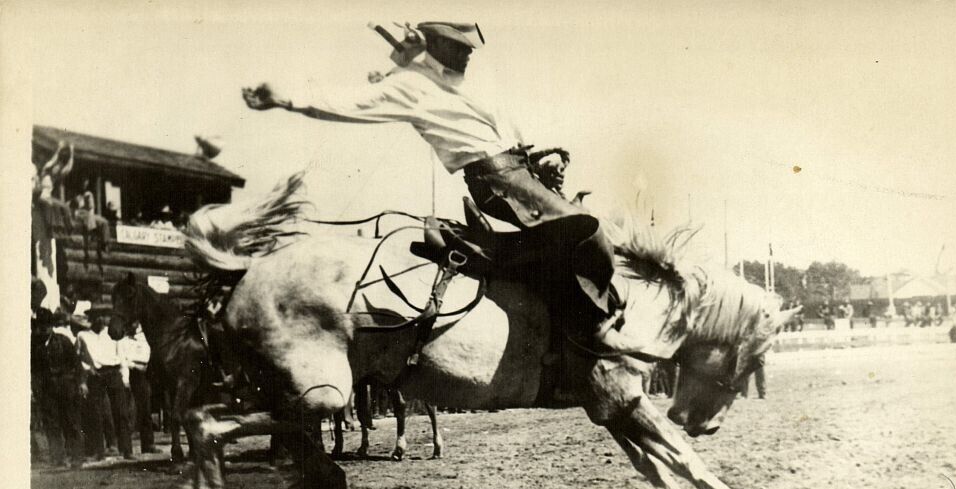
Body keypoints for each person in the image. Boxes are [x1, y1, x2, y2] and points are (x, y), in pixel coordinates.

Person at [242, 21, 624, 349]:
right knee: (587, 230)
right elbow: (349, 104)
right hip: (496, 182)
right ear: (435, 42)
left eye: (470, 46)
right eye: (460, 45)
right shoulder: (408, 87)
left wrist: (539, 159)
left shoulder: (468, 81)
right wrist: (287, 99)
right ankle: (592, 333)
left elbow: (499, 134)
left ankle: (563, 332)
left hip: (517, 173)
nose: (469, 53)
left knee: (572, 237)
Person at [32, 309, 86, 467]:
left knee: (71, 422)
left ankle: (76, 457)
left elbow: (77, 364)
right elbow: (33, 370)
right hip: (47, 389)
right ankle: (58, 458)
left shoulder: (63, 341)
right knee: (51, 423)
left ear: (52, 326)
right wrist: (35, 389)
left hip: (66, 388)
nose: (43, 329)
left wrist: (82, 383)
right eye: (41, 326)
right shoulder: (33, 345)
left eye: (47, 325)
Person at [77, 313, 134, 460]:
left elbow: (122, 358)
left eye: (102, 316)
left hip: (113, 372)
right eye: (96, 316)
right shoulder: (82, 335)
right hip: (96, 375)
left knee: (121, 411)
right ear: (90, 319)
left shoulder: (113, 333)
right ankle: (98, 451)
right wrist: (86, 374)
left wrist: (125, 378)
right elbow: (79, 357)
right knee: (95, 413)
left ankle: (126, 450)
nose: (100, 319)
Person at [120, 323, 158, 453]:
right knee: (130, 410)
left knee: (145, 409)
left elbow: (146, 357)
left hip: (143, 375)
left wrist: (135, 362)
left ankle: (148, 444)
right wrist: (135, 364)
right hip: (130, 375)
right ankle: (126, 446)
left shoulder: (144, 339)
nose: (133, 326)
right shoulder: (123, 341)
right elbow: (124, 360)